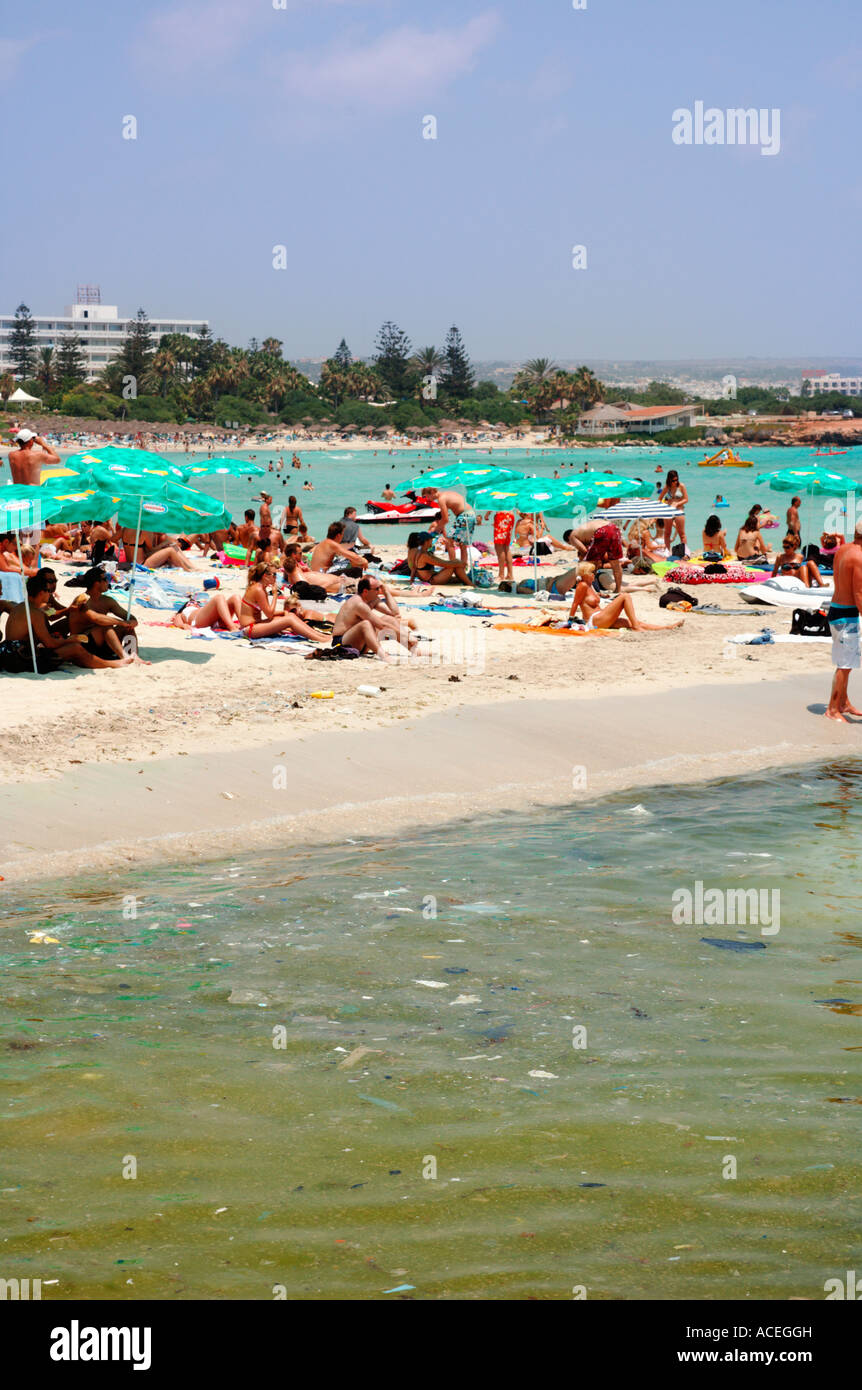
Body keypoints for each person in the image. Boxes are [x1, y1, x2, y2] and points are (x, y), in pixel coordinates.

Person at [1, 571, 134, 670]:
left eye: (55, 581)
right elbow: (51, 632)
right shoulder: (36, 611)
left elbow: (59, 613)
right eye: (49, 587)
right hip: (20, 657)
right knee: (75, 648)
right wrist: (69, 639)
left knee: (69, 637)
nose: (52, 588)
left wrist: (70, 611)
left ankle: (123, 657)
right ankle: (112, 664)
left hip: (10, 653)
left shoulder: (23, 607)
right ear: (41, 592)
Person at [567, 562, 684, 632]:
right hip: (594, 621)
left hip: (601, 618)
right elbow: (575, 603)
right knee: (625, 596)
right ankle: (637, 628)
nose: (594, 574)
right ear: (585, 574)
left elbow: (588, 600)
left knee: (632, 622)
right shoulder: (582, 585)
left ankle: (667, 627)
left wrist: (600, 595)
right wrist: (570, 620)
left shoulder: (589, 585)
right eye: (592, 572)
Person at [67, 566, 147, 662]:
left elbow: (129, 617)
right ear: (97, 583)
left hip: (102, 644)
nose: (108, 582)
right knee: (105, 627)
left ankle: (133, 655)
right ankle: (124, 657)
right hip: (83, 644)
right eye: (106, 579)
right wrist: (121, 623)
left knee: (127, 628)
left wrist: (132, 622)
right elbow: (97, 619)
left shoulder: (107, 601)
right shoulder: (82, 600)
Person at [826, 523, 862, 721]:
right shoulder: (860, 557)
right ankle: (832, 709)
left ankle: (843, 703)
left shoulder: (843, 550)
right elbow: (859, 593)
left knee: (845, 660)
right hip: (847, 615)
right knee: (845, 664)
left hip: (835, 610)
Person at [328, 577, 416, 658]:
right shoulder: (358, 603)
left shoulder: (372, 599)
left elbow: (395, 613)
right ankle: (384, 656)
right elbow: (382, 625)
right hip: (343, 642)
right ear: (365, 591)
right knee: (366, 624)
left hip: (362, 640)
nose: (379, 591)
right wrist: (407, 636)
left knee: (389, 619)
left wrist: (386, 592)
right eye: (377, 589)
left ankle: (413, 650)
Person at [239, 562, 325, 641]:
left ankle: (319, 635)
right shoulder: (259, 590)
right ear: (265, 576)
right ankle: (320, 639)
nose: (276, 577)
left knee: (289, 616)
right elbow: (269, 614)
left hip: (254, 625)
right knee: (290, 619)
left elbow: (269, 612)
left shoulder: (260, 587)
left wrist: (283, 612)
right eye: (274, 574)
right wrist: (275, 595)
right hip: (249, 629)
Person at [422, 487, 476, 566]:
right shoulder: (447, 493)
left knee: (449, 541)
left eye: (426, 496)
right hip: (471, 514)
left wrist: (435, 531)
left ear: (432, 492)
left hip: (464, 516)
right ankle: (463, 567)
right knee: (462, 544)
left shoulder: (441, 499)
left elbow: (445, 519)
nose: (427, 499)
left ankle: (453, 565)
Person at [407, 531, 471, 585]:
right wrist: (460, 563)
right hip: (433, 580)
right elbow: (444, 564)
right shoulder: (424, 555)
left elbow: (440, 561)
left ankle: (467, 581)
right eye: (431, 540)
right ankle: (470, 584)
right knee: (453, 565)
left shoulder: (423, 552)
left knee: (457, 576)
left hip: (434, 576)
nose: (432, 541)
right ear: (426, 541)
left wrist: (457, 562)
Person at [658, 470, 688, 550]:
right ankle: (667, 552)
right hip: (668, 511)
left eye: (676, 480)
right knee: (667, 533)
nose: (675, 482)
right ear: (669, 479)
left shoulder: (681, 486)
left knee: (682, 533)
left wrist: (677, 504)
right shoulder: (667, 487)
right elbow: (659, 499)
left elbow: (686, 499)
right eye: (673, 480)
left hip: (679, 510)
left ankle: (685, 552)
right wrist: (662, 507)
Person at [493, 510, 515, 587]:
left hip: (502, 515)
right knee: (506, 546)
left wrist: (488, 513)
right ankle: (510, 574)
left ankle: (501, 575)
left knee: (499, 546)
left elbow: (495, 500)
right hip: (510, 515)